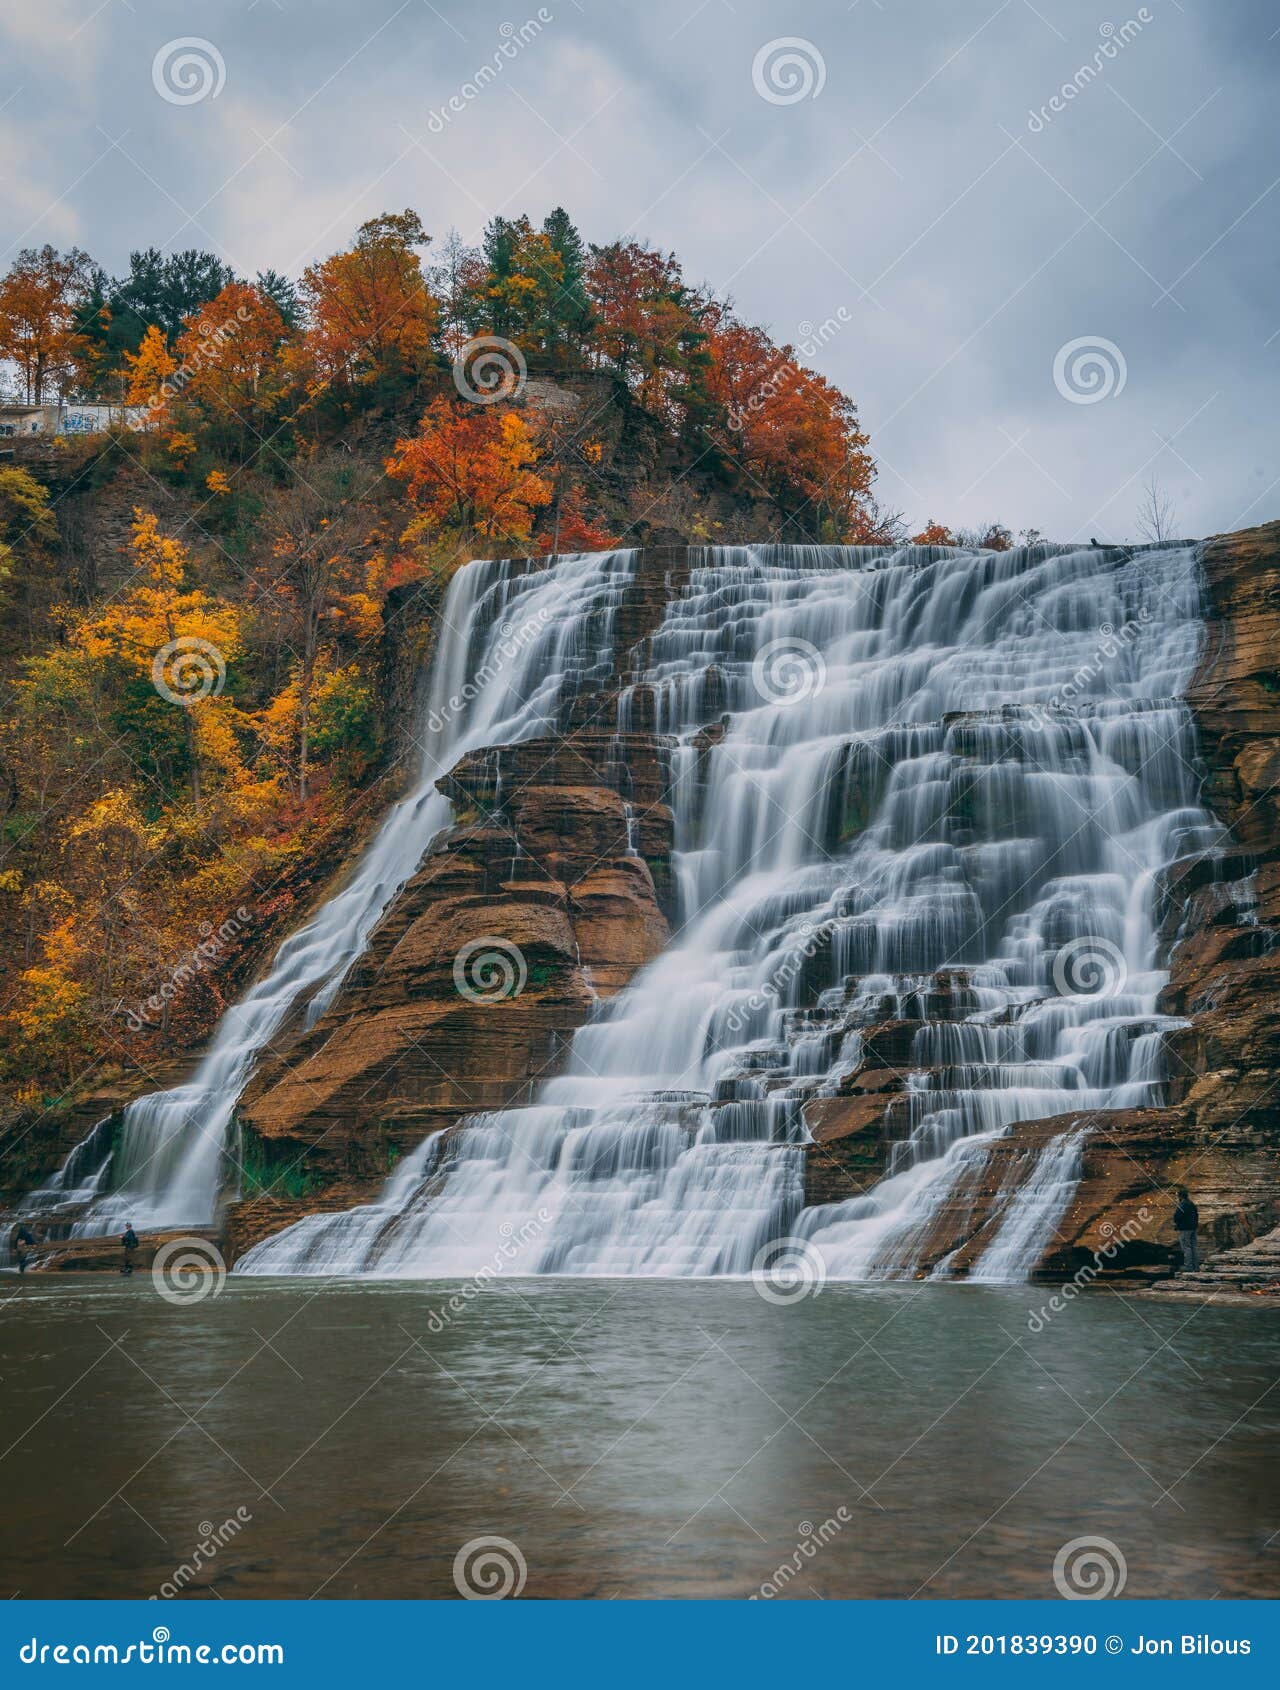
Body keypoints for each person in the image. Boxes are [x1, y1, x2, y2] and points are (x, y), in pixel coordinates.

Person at [1173, 1188, 1199, 1271]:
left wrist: (1178, 1224)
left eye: (1177, 1196)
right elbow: (1196, 1216)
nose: (1177, 1198)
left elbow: (1176, 1217)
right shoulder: (1192, 1204)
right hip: (1193, 1228)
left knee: (1186, 1247)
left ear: (1180, 1196)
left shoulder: (1182, 1205)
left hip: (1185, 1230)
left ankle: (1188, 1267)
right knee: (1193, 1247)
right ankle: (1196, 1267)